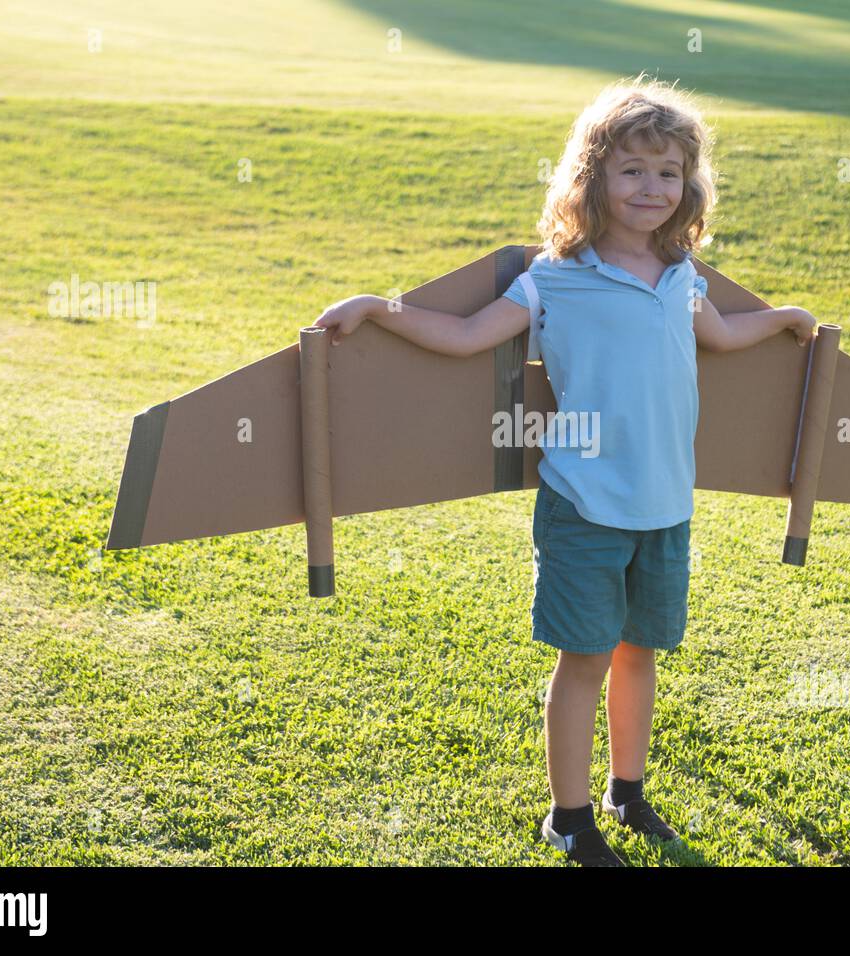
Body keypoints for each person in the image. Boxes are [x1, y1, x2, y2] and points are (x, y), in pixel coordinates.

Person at [312, 73, 818, 866]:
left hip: (664, 505)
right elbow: (469, 335)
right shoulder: (554, 276)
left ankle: (627, 790)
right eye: (632, 169)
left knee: (638, 653)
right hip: (584, 504)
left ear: (688, 186)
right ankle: (569, 816)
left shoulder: (682, 276)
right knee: (584, 658)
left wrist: (782, 319)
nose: (652, 187)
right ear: (593, 177)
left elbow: (719, 336)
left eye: (669, 172)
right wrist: (380, 307)